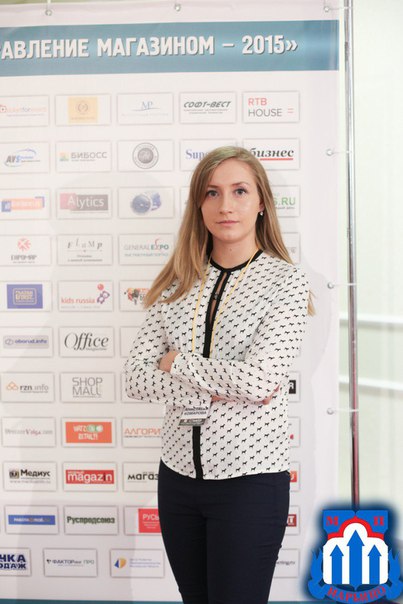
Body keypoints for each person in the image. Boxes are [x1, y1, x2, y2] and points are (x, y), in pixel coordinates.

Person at [125, 145, 312, 604]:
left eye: (239, 191)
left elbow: (261, 380)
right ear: (199, 204)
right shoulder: (177, 281)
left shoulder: (285, 281)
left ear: (261, 202)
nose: (225, 205)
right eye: (212, 192)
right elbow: (135, 377)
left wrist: (176, 363)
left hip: (249, 481)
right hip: (178, 479)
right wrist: (216, 388)